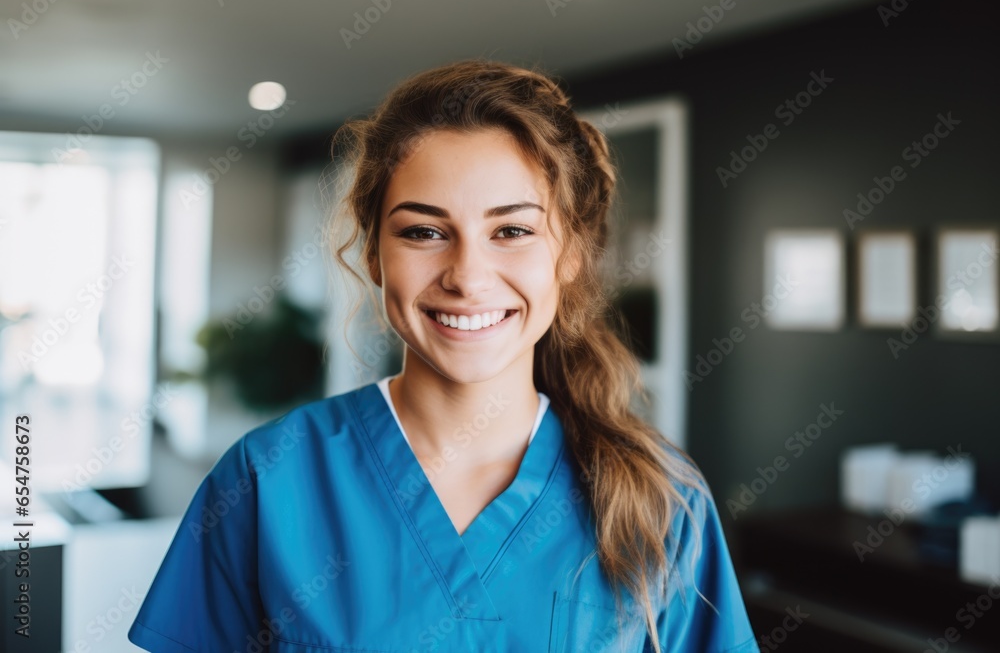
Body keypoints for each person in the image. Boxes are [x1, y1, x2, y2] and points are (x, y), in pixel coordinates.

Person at [127, 58, 759, 653]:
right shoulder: (267, 480)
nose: (468, 276)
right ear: (374, 253)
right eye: (424, 232)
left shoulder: (662, 501)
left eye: (511, 231)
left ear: (568, 255)